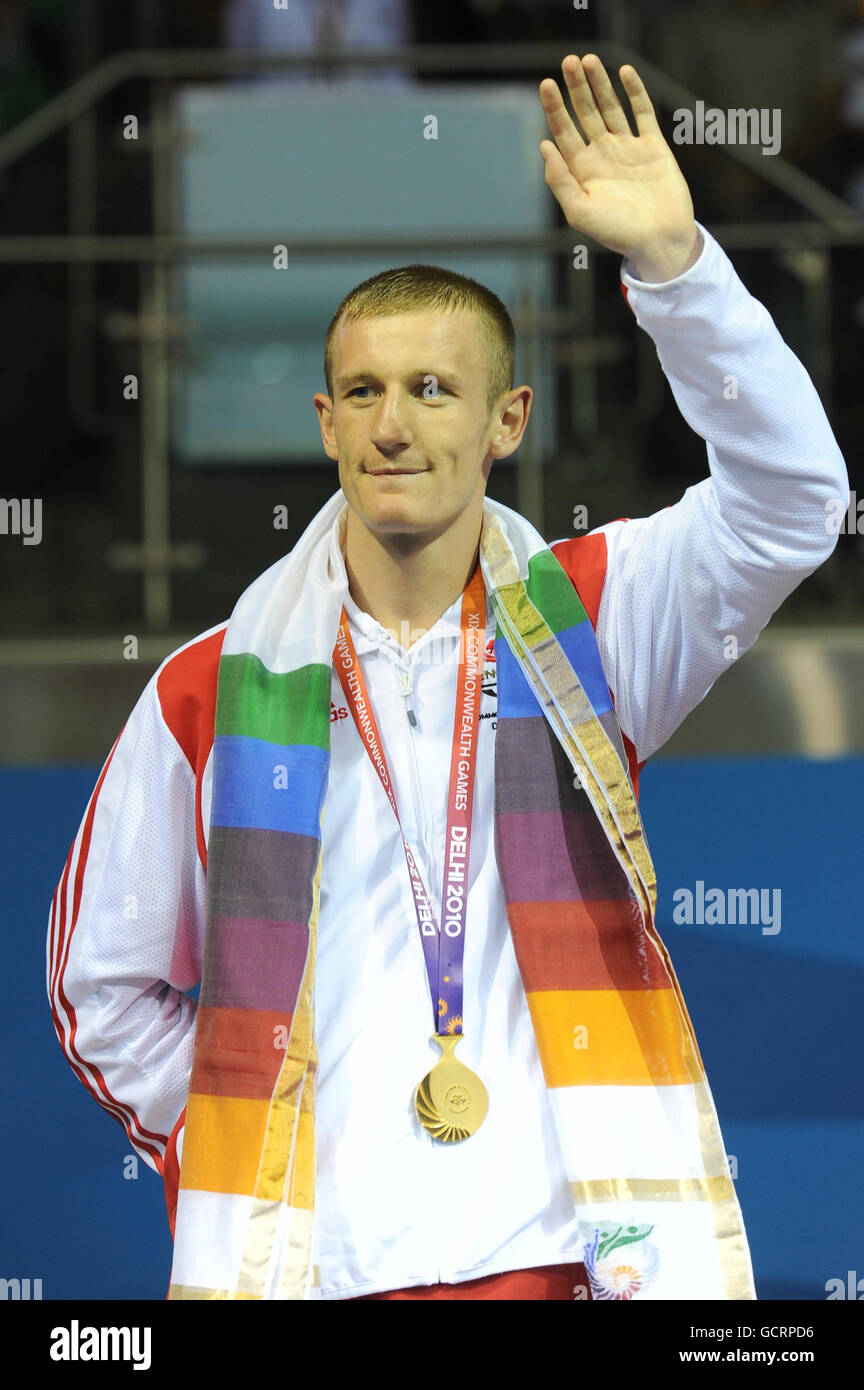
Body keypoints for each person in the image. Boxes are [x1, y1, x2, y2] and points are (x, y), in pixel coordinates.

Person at [47, 54, 848, 1301]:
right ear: (322, 422)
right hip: (315, 1271)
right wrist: (251, 1142)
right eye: (362, 391)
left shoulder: (598, 619)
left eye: (433, 390)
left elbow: (796, 505)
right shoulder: (208, 693)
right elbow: (99, 987)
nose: (393, 426)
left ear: (509, 420)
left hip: (564, 1264)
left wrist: (680, 271)